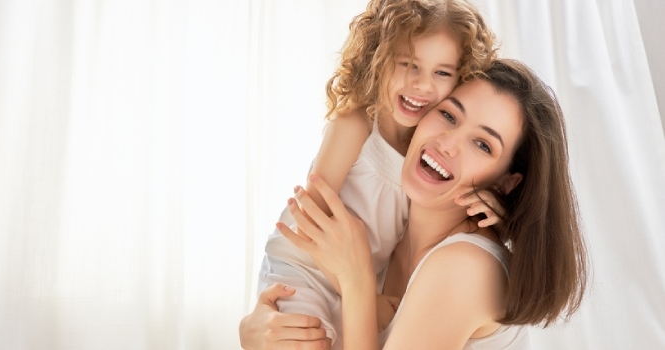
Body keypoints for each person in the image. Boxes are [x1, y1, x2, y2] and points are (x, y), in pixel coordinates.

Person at [244, 59, 588, 349]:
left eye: (482, 145)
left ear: (506, 182)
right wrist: (254, 332)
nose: (448, 143)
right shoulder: (387, 231)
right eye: (449, 116)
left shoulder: (467, 266)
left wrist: (357, 281)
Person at [260, 0, 497, 348]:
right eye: (408, 64)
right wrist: (361, 291)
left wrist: (499, 214)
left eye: (442, 73)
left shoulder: (428, 153)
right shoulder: (355, 126)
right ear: (378, 58)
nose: (422, 85)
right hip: (303, 271)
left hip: (350, 282)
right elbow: (309, 221)